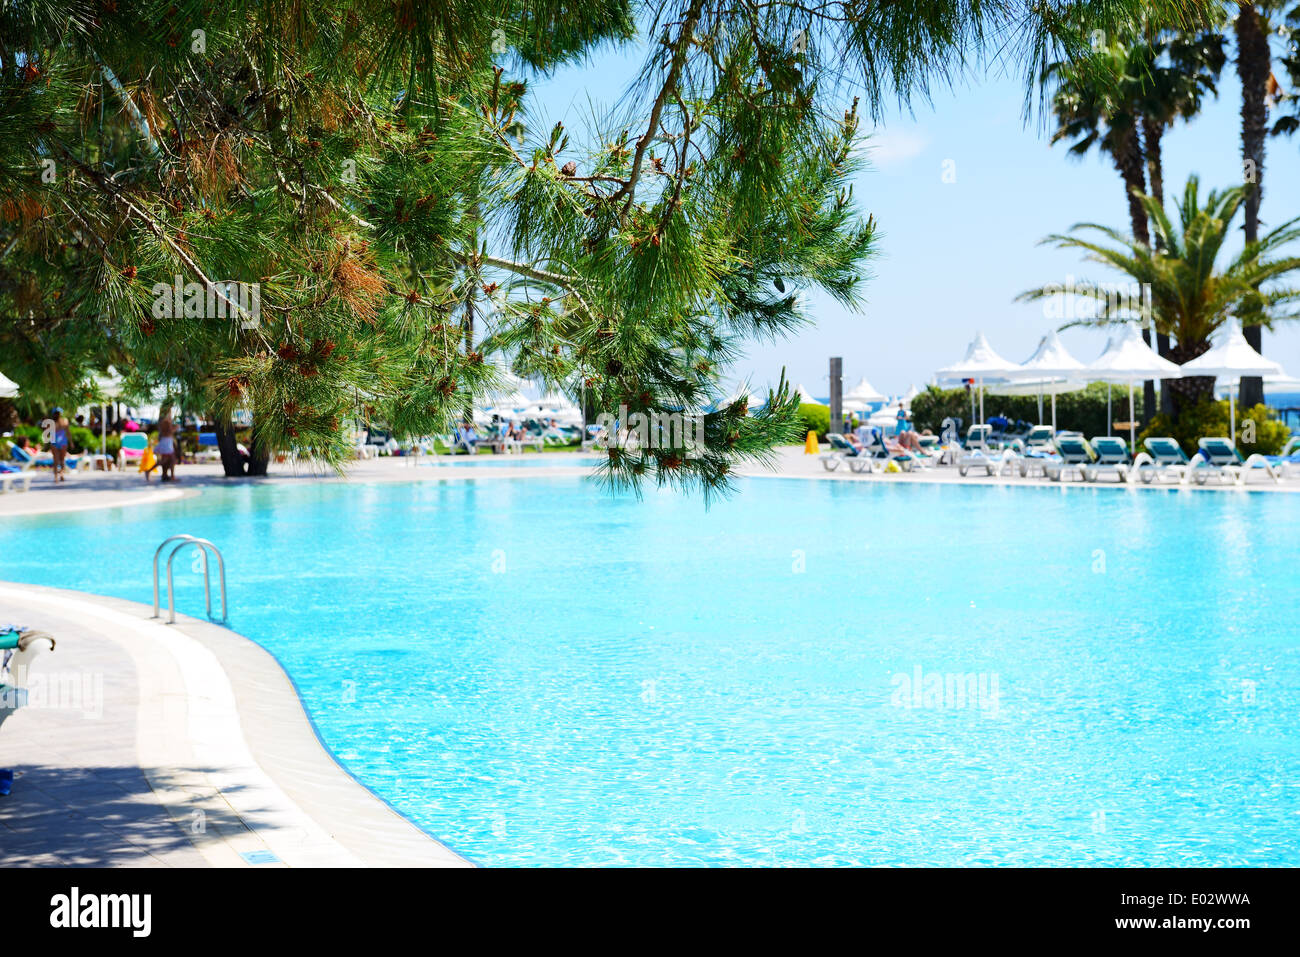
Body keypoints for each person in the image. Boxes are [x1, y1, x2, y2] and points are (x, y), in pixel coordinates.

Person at [155, 413, 178, 481]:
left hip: (166, 446)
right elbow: (170, 432)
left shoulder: (163, 424)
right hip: (167, 447)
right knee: (168, 461)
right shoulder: (166, 423)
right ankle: (171, 476)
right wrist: (176, 427)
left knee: (166, 461)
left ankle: (167, 476)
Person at [50, 411, 70, 482]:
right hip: (56, 442)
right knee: (56, 460)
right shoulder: (52, 422)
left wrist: (71, 442)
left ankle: (61, 474)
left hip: (62, 441)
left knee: (61, 460)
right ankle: (56, 476)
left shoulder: (64, 421)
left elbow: (67, 431)